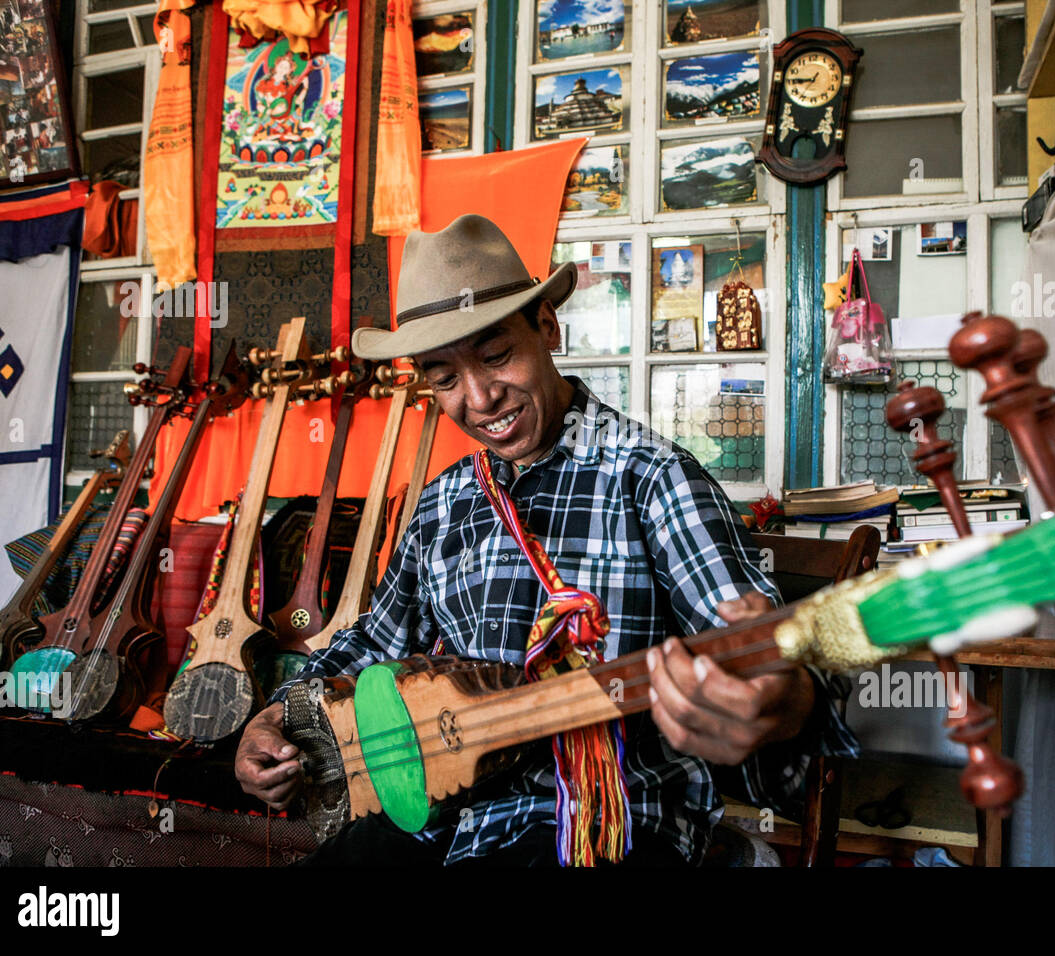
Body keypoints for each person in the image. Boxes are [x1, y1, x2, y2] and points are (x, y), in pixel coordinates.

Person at [234, 214, 858, 866]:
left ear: (548, 328)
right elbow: (373, 643)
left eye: (496, 354)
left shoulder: (651, 478)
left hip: (610, 821)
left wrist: (786, 698)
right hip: (450, 817)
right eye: (443, 376)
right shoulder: (444, 504)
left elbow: (768, 656)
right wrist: (277, 718)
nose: (479, 397)